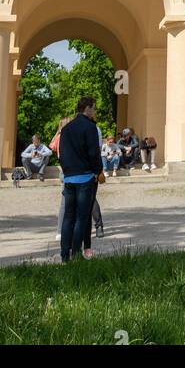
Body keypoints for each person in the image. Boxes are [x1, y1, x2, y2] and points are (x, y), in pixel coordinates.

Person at [58, 96, 103, 262]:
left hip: (69, 178)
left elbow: (62, 153)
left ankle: (64, 256)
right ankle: (76, 253)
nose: (95, 111)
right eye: (94, 108)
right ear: (88, 108)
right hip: (85, 177)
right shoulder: (90, 127)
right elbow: (93, 153)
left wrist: (67, 171)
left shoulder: (66, 128)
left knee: (68, 217)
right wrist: (98, 171)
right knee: (81, 218)